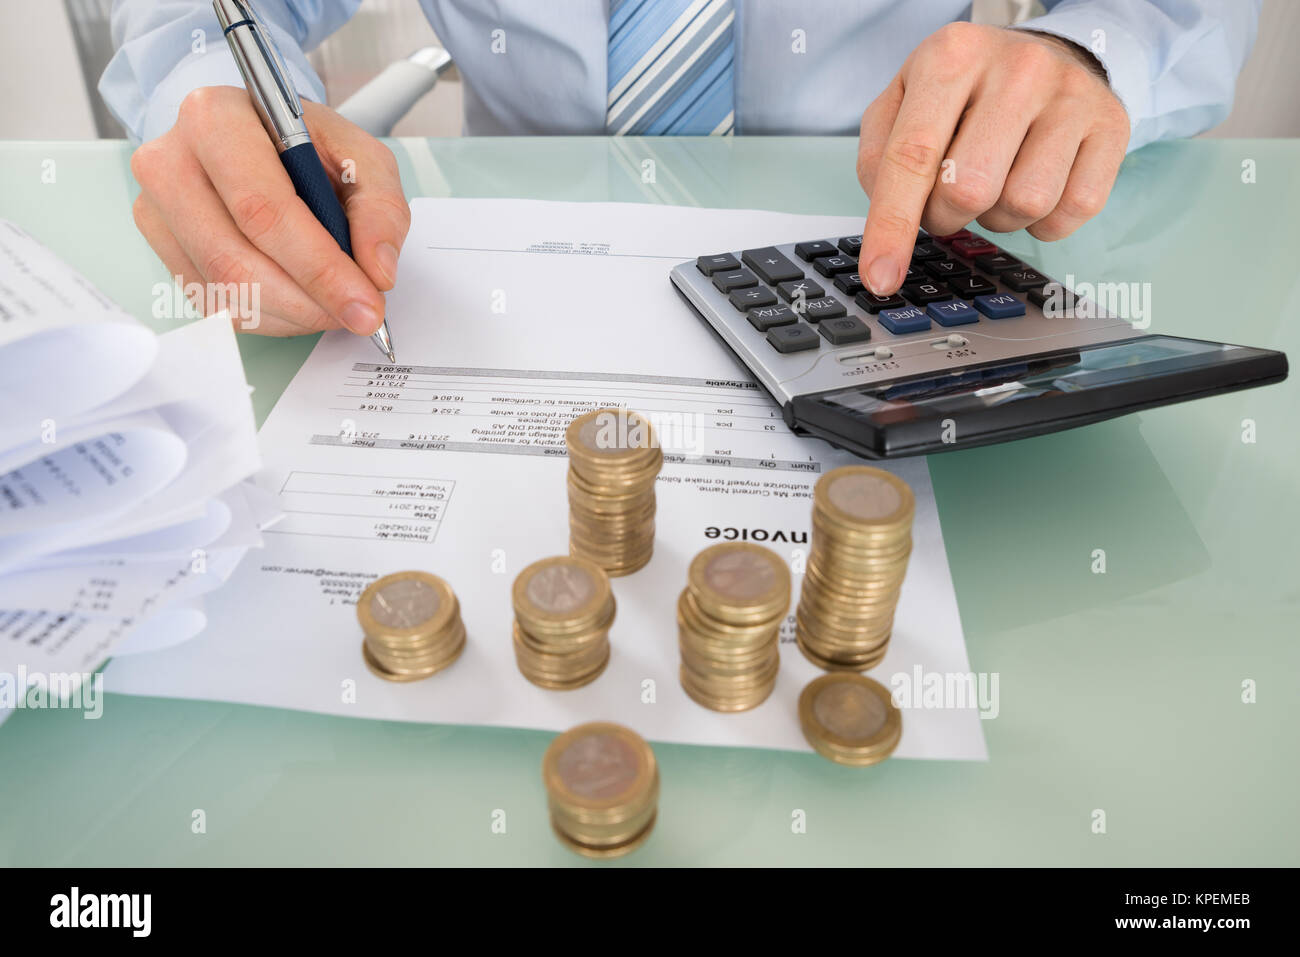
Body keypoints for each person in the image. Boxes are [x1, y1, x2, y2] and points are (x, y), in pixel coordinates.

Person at [100, 0, 1258, 339]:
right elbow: (209, 13)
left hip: (887, 229)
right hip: (520, 247)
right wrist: (200, 79)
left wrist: (1084, 53)